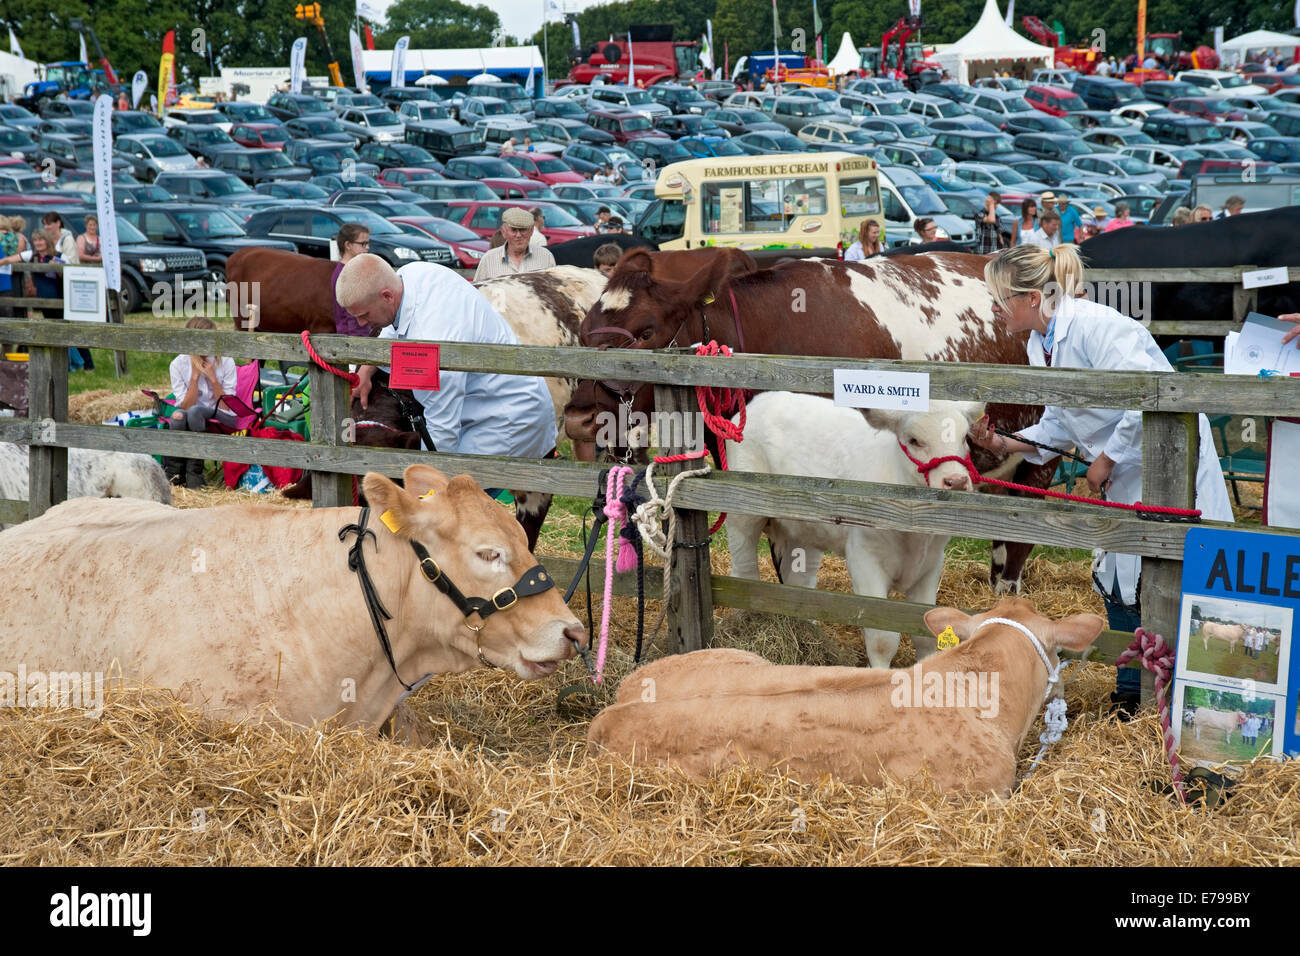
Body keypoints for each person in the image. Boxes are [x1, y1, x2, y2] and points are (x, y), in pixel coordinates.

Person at [968, 244, 1233, 714]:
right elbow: (1057, 424)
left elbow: (1152, 393)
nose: (993, 309)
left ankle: (1178, 689)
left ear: (1032, 297)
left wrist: (1106, 460)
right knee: (1116, 574)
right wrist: (1003, 445)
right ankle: (1132, 688)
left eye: (999, 298)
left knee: (1162, 571)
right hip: (1124, 472)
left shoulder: (1097, 326)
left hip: (1163, 462)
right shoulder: (1040, 344)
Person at [338, 254, 556, 460]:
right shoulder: (411, 274)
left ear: (387, 296)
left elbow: (441, 428)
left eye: (364, 315)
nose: (361, 324)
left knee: (454, 491)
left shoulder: (430, 341)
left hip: (507, 418)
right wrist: (368, 368)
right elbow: (394, 324)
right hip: (486, 404)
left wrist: (427, 485)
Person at [166, 316, 239, 488]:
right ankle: (175, 475)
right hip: (191, 415)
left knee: (195, 412)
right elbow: (185, 407)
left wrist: (214, 380)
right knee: (177, 415)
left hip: (224, 417)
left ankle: (194, 474)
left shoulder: (226, 360)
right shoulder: (178, 364)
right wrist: (194, 377)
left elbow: (227, 406)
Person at [473, 206, 555, 280]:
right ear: (504, 232)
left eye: (523, 229)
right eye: (513, 230)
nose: (518, 235)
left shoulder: (546, 257)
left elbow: (554, 292)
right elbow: (478, 293)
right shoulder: (488, 259)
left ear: (531, 231)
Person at [331, 224, 376, 336]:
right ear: (348, 245)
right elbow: (352, 313)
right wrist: (359, 340)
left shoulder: (348, 269)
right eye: (363, 244)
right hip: (353, 336)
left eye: (368, 243)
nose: (367, 247)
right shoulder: (347, 273)